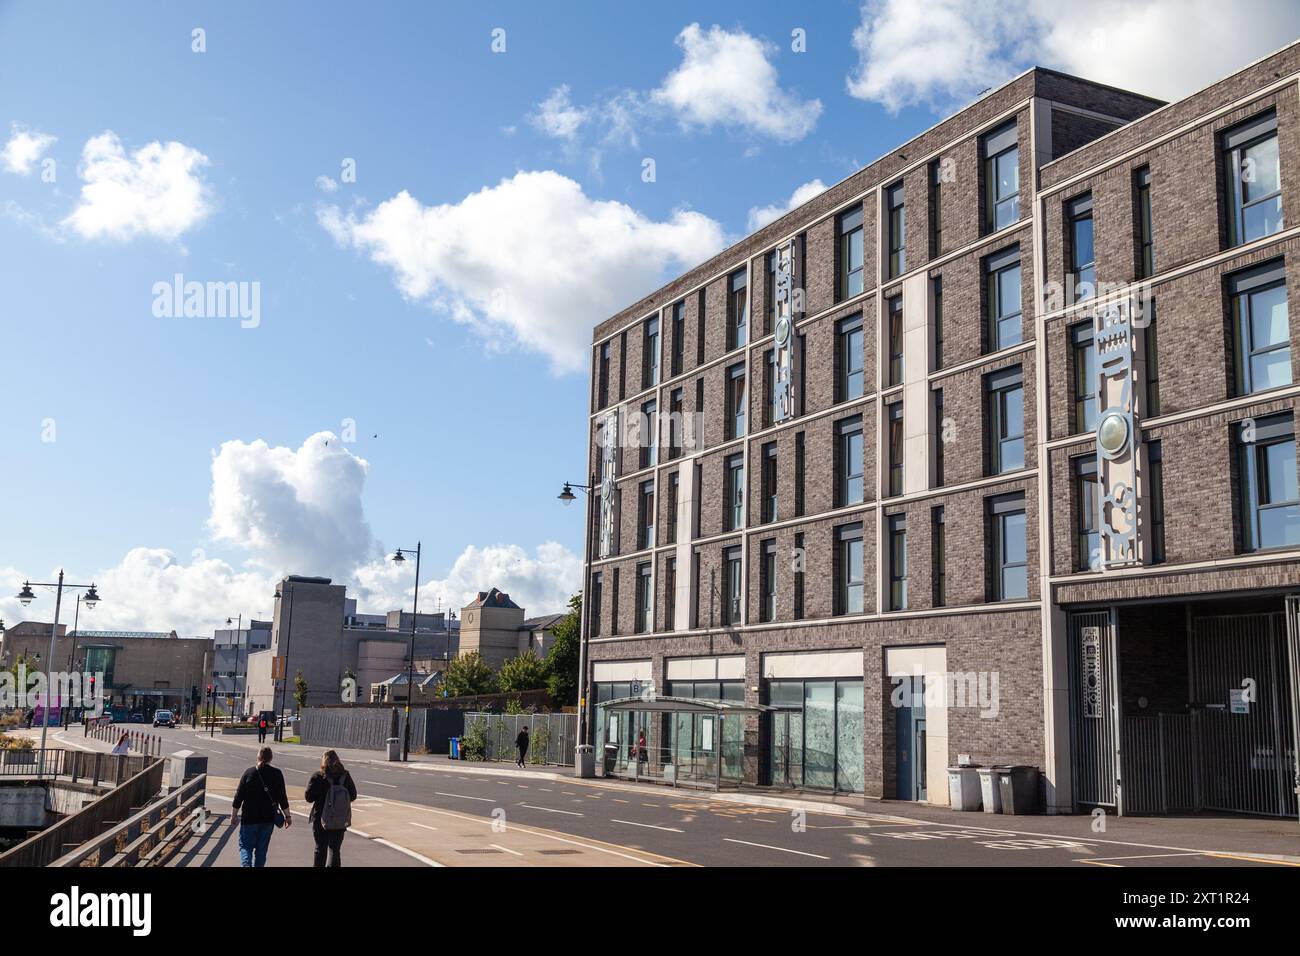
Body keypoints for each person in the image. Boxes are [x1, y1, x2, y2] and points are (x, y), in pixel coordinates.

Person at [231, 746, 291, 867]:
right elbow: (282, 798)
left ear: (258, 757)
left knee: (245, 846)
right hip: (267, 819)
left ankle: (246, 865)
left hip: (249, 818)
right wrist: (287, 816)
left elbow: (238, 797)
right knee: (261, 851)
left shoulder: (249, 773)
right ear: (271, 758)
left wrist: (234, 815)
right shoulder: (277, 774)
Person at [305, 749, 357, 867]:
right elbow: (353, 795)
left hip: (321, 818)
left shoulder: (318, 776)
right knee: (335, 849)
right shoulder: (345, 776)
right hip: (339, 818)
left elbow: (308, 797)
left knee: (320, 848)